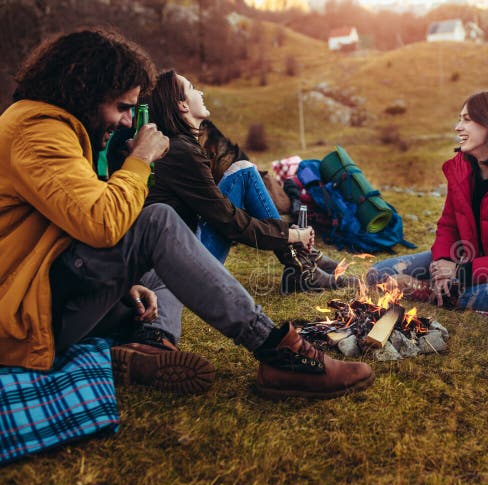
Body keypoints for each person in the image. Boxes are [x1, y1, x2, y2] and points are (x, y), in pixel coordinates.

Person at [0, 29, 374, 400]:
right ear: (84, 91)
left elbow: (63, 224)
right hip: (23, 318)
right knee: (158, 221)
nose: (128, 121)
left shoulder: (49, 128)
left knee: (163, 237)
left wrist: (124, 281)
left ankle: (145, 347)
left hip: (42, 293)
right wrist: (140, 159)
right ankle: (277, 350)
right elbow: (102, 224)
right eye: (122, 107)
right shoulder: (39, 133)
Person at [146, 70, 352, 291]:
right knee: (243, 175)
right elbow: (229, 220)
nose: (201, 91)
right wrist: (290, 234)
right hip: (179, 270)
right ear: (182, 105)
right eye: (192, 88)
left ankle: (300, 261)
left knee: (244, 170)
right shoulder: (182, 152)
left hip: (180, 253)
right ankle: (301, 263)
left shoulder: (181, 146)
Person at [366, 91, 488, 314]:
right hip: (460, 258)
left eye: (467, 120)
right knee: (376, 274)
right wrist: (442, 262)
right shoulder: (461, 168)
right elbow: (449, 225)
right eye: (460, 118)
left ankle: (447, 295)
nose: (458, 127)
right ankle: (441, 290)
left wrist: (460, 272)